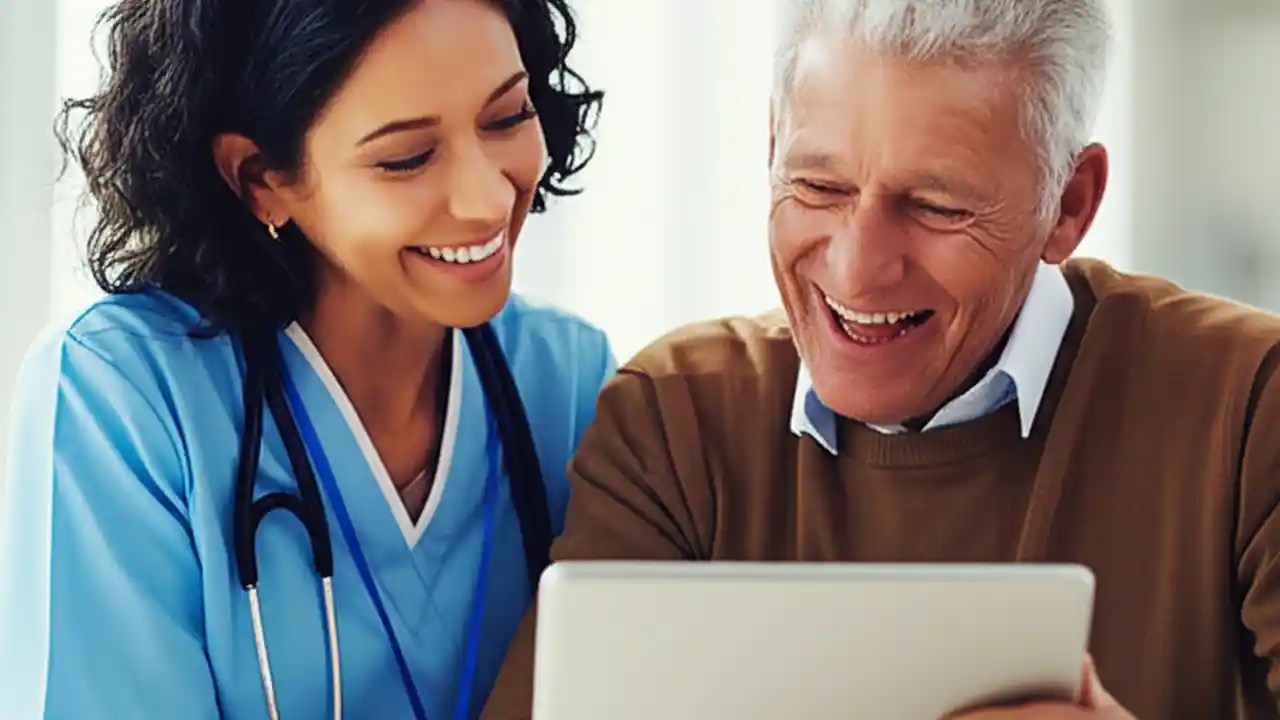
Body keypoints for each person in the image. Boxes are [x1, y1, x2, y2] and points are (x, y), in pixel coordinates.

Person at [479, 1, 1280, 719]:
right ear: (771, 149)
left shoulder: (1247, 405)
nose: (858, 269)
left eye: (937, 206)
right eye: (819, 185)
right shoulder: (674, 421)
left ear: (1068, 205)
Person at [0, 0, 615, 718]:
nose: (484, 201)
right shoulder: (125, 397)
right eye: (407, 158)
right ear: (260, 177)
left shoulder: (567, 379)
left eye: (507, 117)